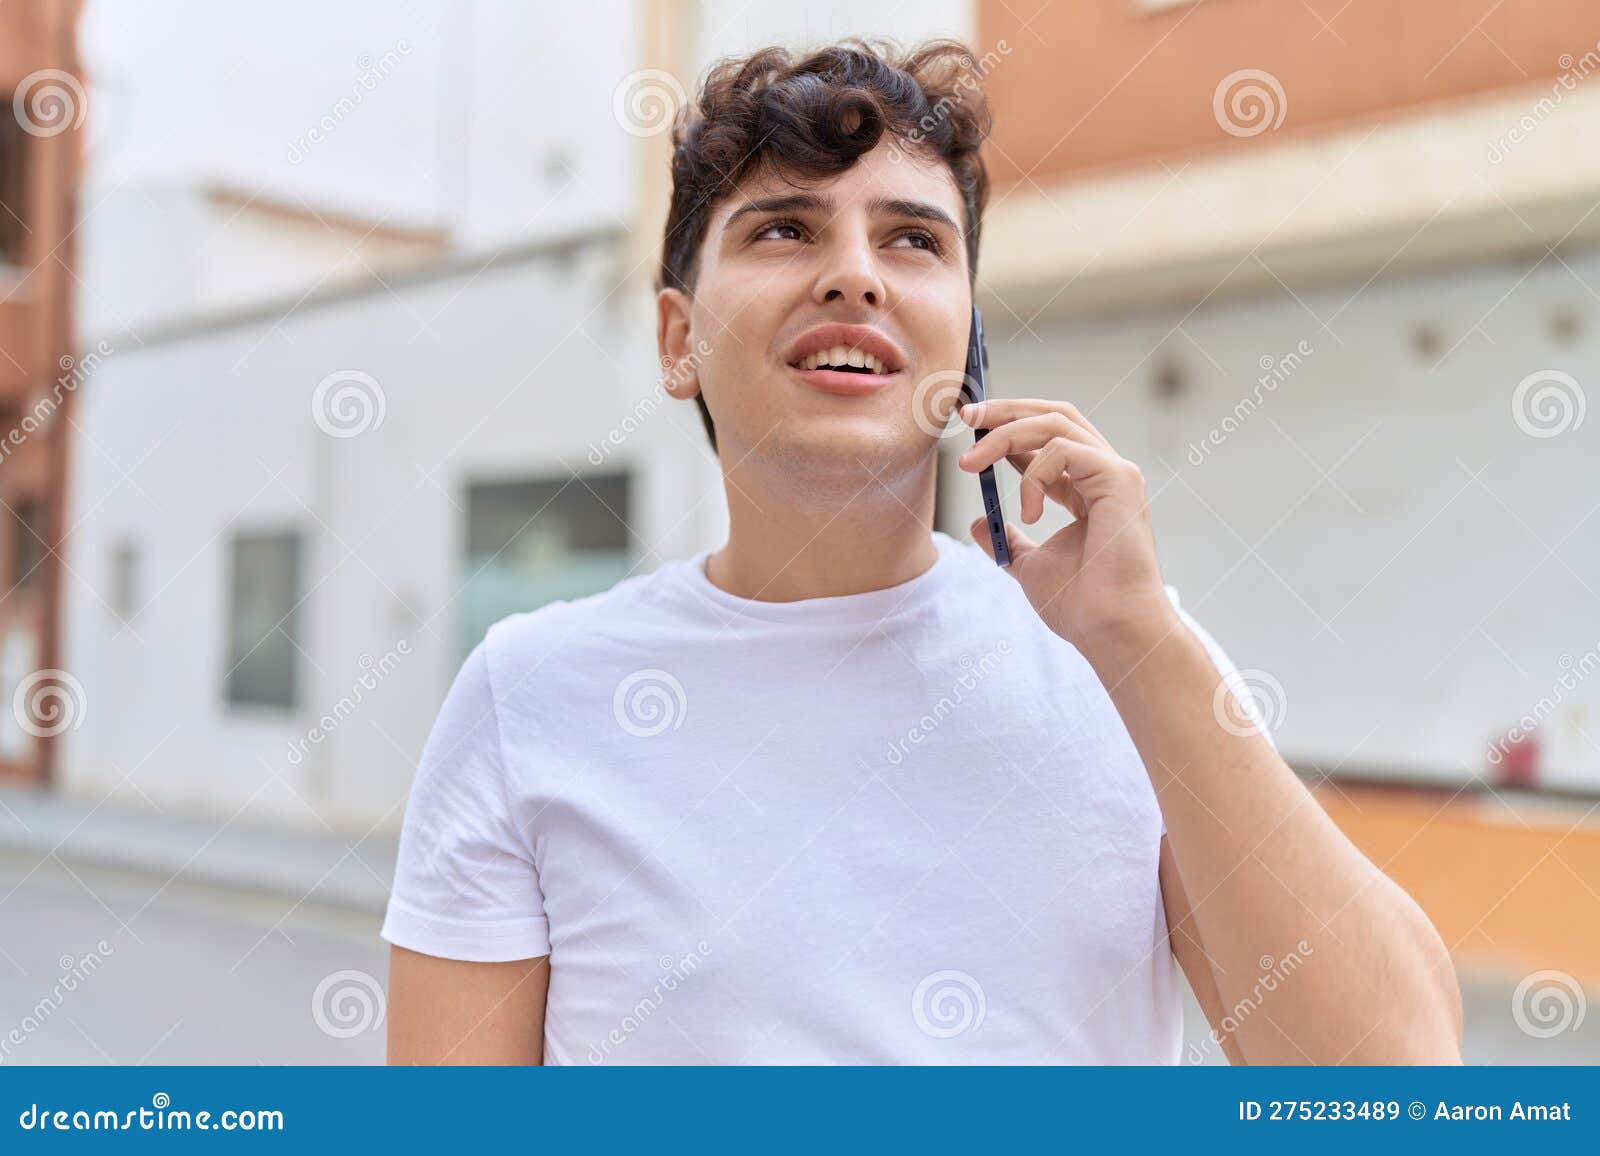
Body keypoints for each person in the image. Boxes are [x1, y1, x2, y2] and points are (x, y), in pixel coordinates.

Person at [382, 38, 1462, 1065]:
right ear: (679, 340)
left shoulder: (1127, 664)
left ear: (969, 340)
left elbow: (1403, 1088)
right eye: (783, 230)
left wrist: (1141, 645)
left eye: (913, 240)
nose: (856, 276)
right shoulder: (529, 696)